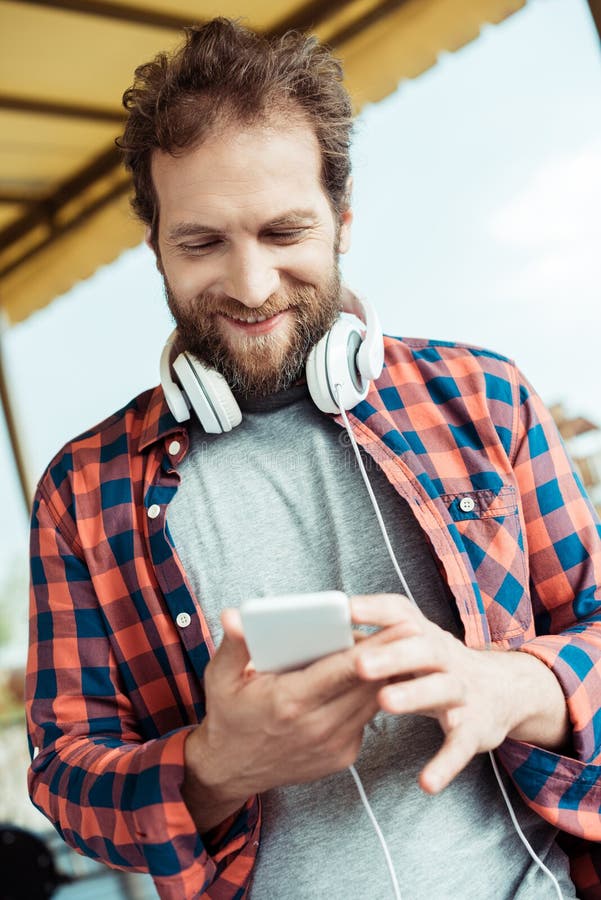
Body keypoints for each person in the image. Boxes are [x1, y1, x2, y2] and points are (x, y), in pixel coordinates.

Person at [26, 17, 601, 900]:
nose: (251, 286)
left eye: (283, 232)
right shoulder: (81, 491)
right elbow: (64, 774)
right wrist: (215, 765)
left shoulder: (485, 397)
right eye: (202, 243)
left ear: (342, 219)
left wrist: (509, 686)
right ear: (155, 248)